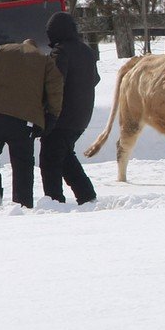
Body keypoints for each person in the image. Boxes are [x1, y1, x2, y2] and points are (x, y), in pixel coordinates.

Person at [0, 38, 63, 208]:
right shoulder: (45, 60)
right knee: (23, 162)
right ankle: (23, 203)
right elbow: (55, 89)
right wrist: (52, 116)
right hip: (25, 119)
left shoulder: (4, 50)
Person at [38, 12, 99, 205]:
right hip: (82, 116)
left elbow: (54, 84)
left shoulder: (61, 52)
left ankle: (54, 201)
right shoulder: (87, 51)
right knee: (64, 156)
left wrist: (44, 108)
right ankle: (87, 196)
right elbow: (95, 79)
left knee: (49, 159)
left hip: (61, 117)